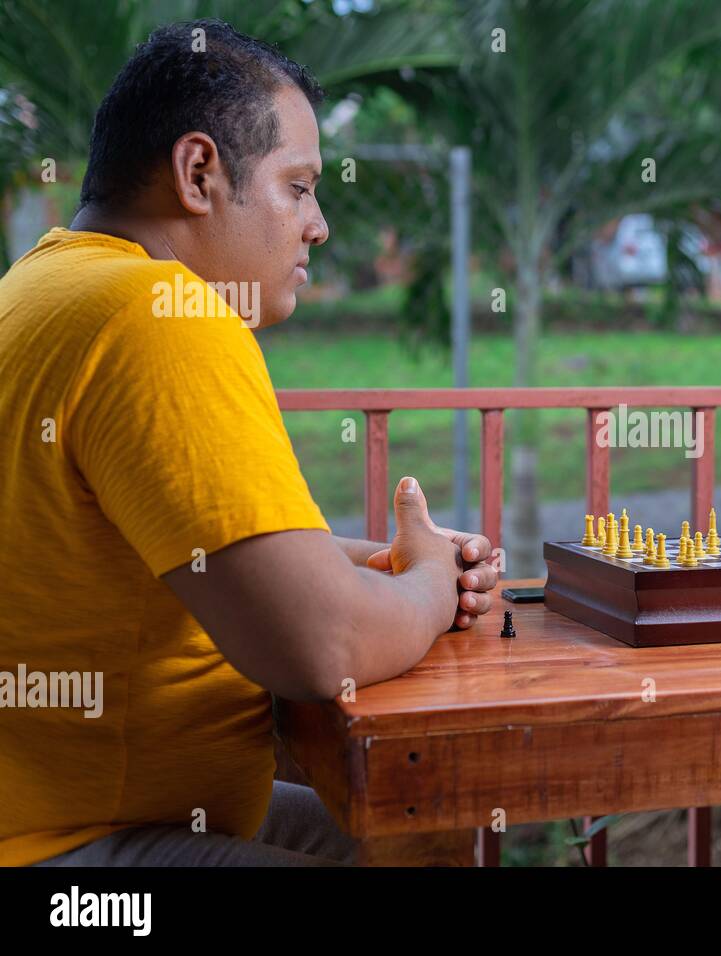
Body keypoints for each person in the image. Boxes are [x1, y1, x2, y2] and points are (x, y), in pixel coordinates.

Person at [0, 20, 496, 866]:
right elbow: (320, 650)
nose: (320, 226)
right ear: (198, 173)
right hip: (82, 850)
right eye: (299, 187)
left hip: (88, 814)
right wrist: (429, 592)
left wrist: (389, 566)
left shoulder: (43, 287)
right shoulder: (165, 316)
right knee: (434, 819)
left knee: (413, 828)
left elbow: (178, 545)